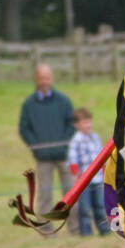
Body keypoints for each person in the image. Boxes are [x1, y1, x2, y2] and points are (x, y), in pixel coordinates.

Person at [18, 65, 75, 218]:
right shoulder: (29, 105)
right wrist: (37, 147)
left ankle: (75, 227)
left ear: (52, 79)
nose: (44, 82)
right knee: (44, 195)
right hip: (43, 159)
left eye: (47, 78)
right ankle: (46, 231)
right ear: (36, 79)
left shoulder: (63, 101)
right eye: (41, 78)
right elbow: (24, 129)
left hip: (64, 156)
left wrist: (65, 144)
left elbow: (72, 124)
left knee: (71, 193)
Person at [67, 107, 110, 237]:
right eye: (84, 122)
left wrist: (104, 172)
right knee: (85, 208)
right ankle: (86, 232)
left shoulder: (95, 137)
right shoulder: (76, 140)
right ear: (77, 125)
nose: (88, 125)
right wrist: (76, 175)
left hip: (97, 179)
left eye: (89, 121)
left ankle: (104, 229)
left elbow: (101, 156)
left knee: (100, 206)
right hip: (84, 181)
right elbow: (72, 159)